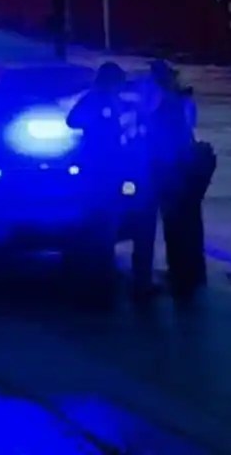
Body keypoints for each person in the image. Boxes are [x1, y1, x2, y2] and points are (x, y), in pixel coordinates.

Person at [66, 62, 154, 295]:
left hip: (111, 169)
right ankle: (100, 275)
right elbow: (73, 120)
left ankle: (104, 272)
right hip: (100, 171)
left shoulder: (116, 101)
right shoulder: (96, 100)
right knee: (102, 224)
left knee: (110, 223)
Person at [143, 60, 213, 298]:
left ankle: (182, 274)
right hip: (188, 166)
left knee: (176, 224)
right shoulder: (182, 99)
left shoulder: (165, 102)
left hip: (174, 169)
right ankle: (192, 273)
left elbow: (160, 135)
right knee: (190, 223)